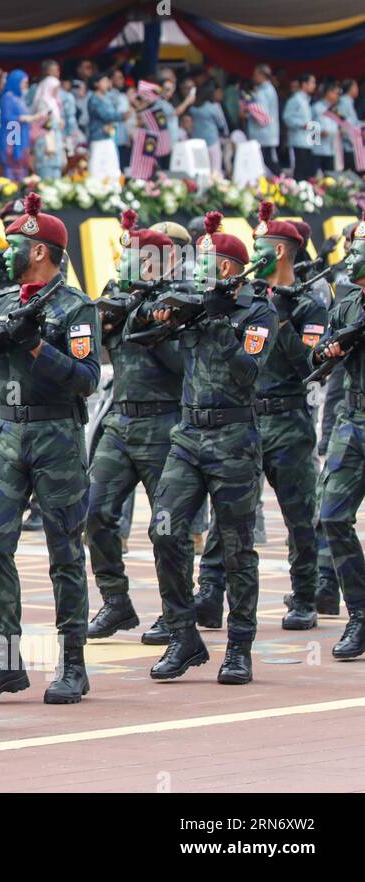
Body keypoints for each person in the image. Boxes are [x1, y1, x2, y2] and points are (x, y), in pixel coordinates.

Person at [0, 193, 100, 706]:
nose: (6, 251)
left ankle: (73, 665)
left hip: (56, 437)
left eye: (16, 243)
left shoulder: (74, 308)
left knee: (65, 553)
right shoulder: (2, 302)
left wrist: (38, 348)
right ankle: (7, 662)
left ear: (41, 251)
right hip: (6, 435)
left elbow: (85, 380)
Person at [147, 212, 275, 685]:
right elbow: (143, 331)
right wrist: (162, 311)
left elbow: (248, 371)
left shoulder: (256, 312)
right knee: (164, 530)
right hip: (187, 436)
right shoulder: (192, 304)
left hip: (234, 439)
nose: (192, 270)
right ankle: (184, 634)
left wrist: (223, 323)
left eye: (203, 262)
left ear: (225, 269)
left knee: (238, 548)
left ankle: (239, 646)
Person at [194, 204, 326, 632]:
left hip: (287, 419)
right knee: (228, 512)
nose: (256, 253)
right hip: (244, 418)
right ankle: (210, 594)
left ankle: (305, 595)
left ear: (283, 251)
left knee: (299, 513)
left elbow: (310, 366)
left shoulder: (309, 304)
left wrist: (284, 319)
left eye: (262, 246)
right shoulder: (246, 298)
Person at [86, 211, 184, 641]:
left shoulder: (179, 301)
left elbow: (184, 366)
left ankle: (175, 612)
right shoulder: (114, 294)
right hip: (120, 419)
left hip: (164, 421)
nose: (119, 263)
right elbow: (96, 344)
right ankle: (116, 601)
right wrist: (111, 320)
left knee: (167, 527)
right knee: (94, 513)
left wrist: (153, 326)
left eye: (129, 256)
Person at [314, 211, 365, 658]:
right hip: (354, 421)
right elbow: (318, 358)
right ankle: (361, 614)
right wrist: (328, 349)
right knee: (332, 516)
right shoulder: (347, 303)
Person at [243, 65, 282, 173]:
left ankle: (282, 181)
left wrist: (248, 110)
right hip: (268, 133)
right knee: (267, 160)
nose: (253, 77)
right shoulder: (270, 89)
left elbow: (261, 115)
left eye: (255, 74)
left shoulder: (262, 93)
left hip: (262, 134)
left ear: (261, 75)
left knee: (266, 161)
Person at [284, 74, 318, 180]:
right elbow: (286, 117)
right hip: (298, 141)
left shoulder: (306, 100)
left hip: (307, 142)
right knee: (298, 171)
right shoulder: (296, 99)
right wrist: (301, 124)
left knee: (305, 171)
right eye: (312, 82)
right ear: (304, 84)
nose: (314, 85)